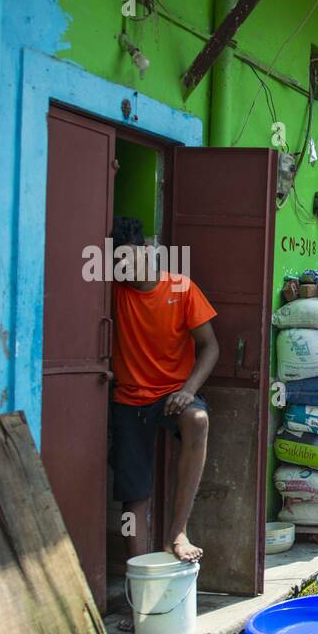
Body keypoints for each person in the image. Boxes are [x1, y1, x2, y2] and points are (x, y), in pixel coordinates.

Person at [109, 216, 220, 564]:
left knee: (198, 420)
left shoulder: (181, 288)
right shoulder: (111, 291)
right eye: (117, 262)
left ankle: (177, 532)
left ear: (148, 250)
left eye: (129, 257)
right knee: (133, 498)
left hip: (173, 394)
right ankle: (137, 578)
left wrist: (188, 390)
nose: (124, 267)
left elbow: (210, 346)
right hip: (128, 400)